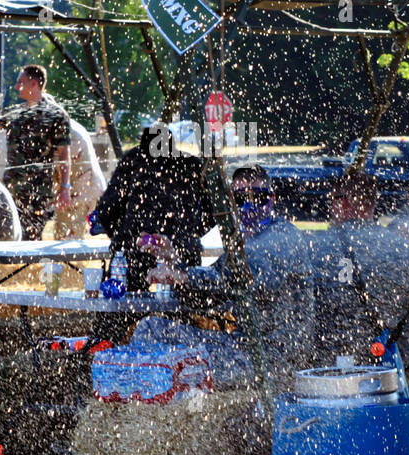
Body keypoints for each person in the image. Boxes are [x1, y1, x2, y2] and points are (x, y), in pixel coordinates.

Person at [136, 165, 317, 389]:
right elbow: (205, 299)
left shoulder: (281, 238)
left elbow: (234, 280)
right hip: (246, 348)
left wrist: (180, 276)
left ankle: (173, 403)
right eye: (240, 199)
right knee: (151, 328)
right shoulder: (243, 243)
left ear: (271, 199)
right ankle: (158, 403)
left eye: (257, 198)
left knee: (169, 352)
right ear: (231, 203)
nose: (248, 206)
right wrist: (173, 260)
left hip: (274, 361)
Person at [310, 170, 409, 362]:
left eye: (331, 200)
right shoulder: (407, 251)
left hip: (328, 367)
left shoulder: (314, 248)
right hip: (387, 367)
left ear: (341, 202)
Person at [94, 126, 215, 290]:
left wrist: (121, 234)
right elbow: (214, 210)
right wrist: (192, 232)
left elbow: (107, 208)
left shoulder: (133, 161)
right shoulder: (191, 164)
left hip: (136, 246)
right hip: (182, 248)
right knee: (182, 304)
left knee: (128, 306)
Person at [0, 65, 71, 240]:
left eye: (20, 82)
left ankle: (30, 268)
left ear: (34, 84)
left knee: (29, 241)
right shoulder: (16, 113)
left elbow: (63, 155)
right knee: (7, 238)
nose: (16, 87)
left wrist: (65, 187)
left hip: (37, 192)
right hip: (11, 189)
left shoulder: (56, 115)